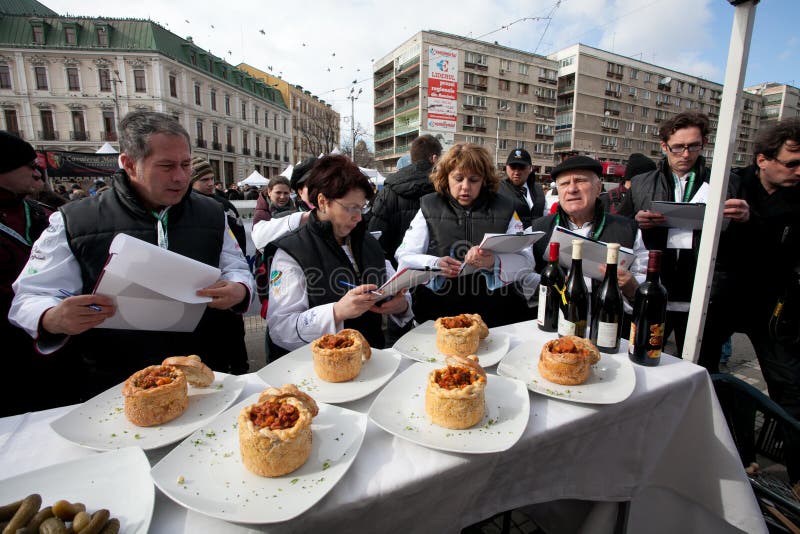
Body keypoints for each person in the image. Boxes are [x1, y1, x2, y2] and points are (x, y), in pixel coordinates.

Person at [10, 111, 255, 399]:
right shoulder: (75, 220)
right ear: (129, 164)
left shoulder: (213, 213)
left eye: (185, 164)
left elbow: (236, 267)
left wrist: (239, 288)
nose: (180, 177)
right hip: (114, 380)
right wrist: (51, 317)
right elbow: (29, 297)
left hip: (201, 375)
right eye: (166, 166)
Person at [697, 118, 800, 488]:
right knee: (706, 377)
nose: (797, 171)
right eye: (791, 163)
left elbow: (788, 245)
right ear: (762, 159)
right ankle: (739, 459)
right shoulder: (731, 180)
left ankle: (797, 474)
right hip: (723, 297)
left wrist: (750, 221)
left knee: (789, 387)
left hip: (772, 308)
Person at [617, 111, 750, 356]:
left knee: (701, 364)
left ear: (704, 144)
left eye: (693, 146)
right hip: (655, 289)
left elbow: (746, 243)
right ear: (664, 146)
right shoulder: (642, 183)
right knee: (644, 356)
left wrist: (744, 218)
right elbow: (621, 228)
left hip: (704, 293)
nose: (686, 155)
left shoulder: (728, 182)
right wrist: (636, 221)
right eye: (678, 147)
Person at [266, 155, 412, 358]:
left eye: (362, 208)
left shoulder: (368, 242)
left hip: (372, 362)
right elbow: (280, 328)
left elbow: (396, 287)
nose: (359, 217)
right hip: (320, 372)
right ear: (323, 202)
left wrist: (401, 305)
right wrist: (336, 312)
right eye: (350, 208)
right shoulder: (292, 251)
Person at [395, 143, 536, 327]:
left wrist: (494, 262)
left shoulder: (506, 208)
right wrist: (435, 264)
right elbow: (405, 256)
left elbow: (526, 260)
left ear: (484, 180)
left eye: (474, 179)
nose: (465, 187)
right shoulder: (429, 206)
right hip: (439, 313)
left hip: (495, 316)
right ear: (446, 177)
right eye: (458, 178)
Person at [0, 132, 73, 415]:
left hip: (54, 342)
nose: (37, 173)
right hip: (8, 346)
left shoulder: (41, 212)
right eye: (29, 166)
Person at [530, 155, 648, 306]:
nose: (572, 189)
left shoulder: (628, 230)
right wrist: (543, 282)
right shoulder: (538, 229)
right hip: (552, 323)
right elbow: (522, 275)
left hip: (608, 323)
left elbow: (644, 284)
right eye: (565, 183)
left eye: (580, 181)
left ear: (598, 188)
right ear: (558, 191)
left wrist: (631, 286)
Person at [368, 134, 442, 266]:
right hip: (435, 268)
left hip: (396, 268)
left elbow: (376, 234)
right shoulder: (443, 189)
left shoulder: (388, 190)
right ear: (434, 158)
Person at [251, 157, 316, 251]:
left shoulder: (297, 207)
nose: (282, 197)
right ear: (269, 192)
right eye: (278, 193)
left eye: (286, 193)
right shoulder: (261, 213)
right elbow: (259, 241)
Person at [190, 156, 247, 252]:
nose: (210, 183)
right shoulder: (182, 205)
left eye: (212, 178)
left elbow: (239, 233)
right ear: (192, 181)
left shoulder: (224, 204)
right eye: (204, 180)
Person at [497, 148, 545, 227]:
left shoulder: (538, 189)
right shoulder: (498, 189)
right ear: (506, 167)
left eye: (521, 167)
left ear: (530, 168)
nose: (516, 172)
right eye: (513, 167)